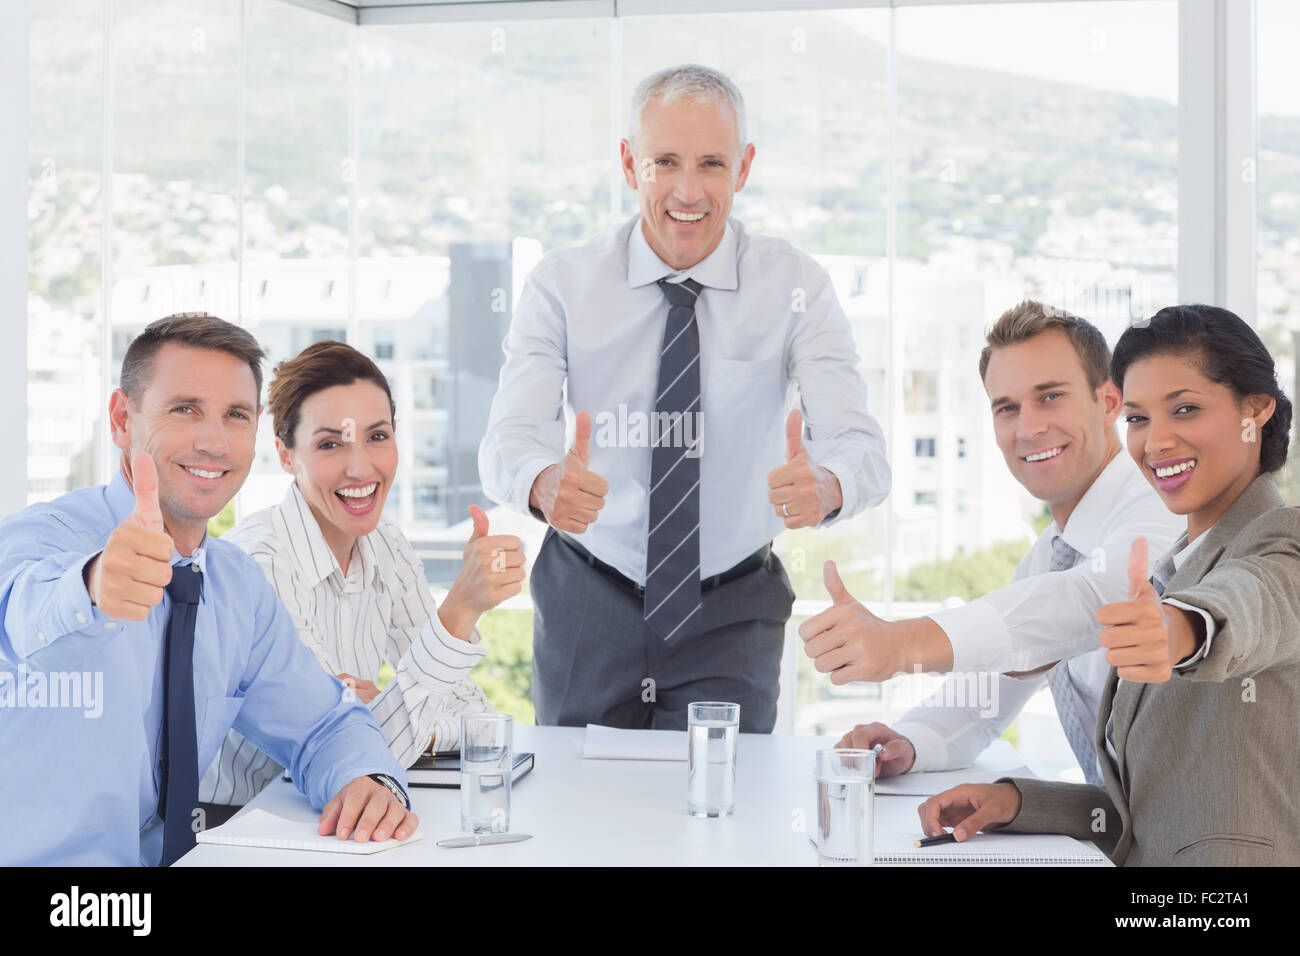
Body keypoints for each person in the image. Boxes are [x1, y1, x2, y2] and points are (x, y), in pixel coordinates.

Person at [478, 64, 890, 733]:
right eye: (664, 162)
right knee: (580, 812)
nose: (688, 191)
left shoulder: (795, 287)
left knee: (724, 812)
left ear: (745, 167)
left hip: (731, 608)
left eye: (712, 164)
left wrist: (830, 484)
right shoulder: (562, 285)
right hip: (590, 595)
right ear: (628, 163)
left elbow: (863, 449)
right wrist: (542, 481)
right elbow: (505, 443)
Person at [0, 314, 418, 866]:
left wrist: (366, 779)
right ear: (123, 420)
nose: (214, 441)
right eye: (184, 409)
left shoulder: (235, 585)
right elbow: (20, 611)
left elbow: (323, 720)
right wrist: (93, 586)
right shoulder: (44, 539)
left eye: (236, 415)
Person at [917, 304, 1299, 865]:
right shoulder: (1173, 566)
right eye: (1140, 419)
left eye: (1186, 410)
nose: (1157, 441)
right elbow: (1153, 810)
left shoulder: (1281, 542)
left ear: (1255, 410)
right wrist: (1017, 803)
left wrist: (1181, 628)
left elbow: (1250, 605)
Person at [820, 302, 1182, 782]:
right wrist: (907, 742)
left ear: (1110, 402)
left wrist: (900, 642)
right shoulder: (1051, 555)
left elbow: (1083, 604)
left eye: (1050, 397)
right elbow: (983, 700)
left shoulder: (1159, 504)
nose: (1029, 429)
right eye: (1007, 408)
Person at [199, 340, 523, 812]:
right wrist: (459, 612)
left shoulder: (385, 543)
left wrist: (388, 720)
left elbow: (476, 717)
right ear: (286, 456)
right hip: (235, 826)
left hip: (325, 823)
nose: (360, 467)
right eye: (330, 444)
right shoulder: (258, 564)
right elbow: (348, 762)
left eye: (377, 437)